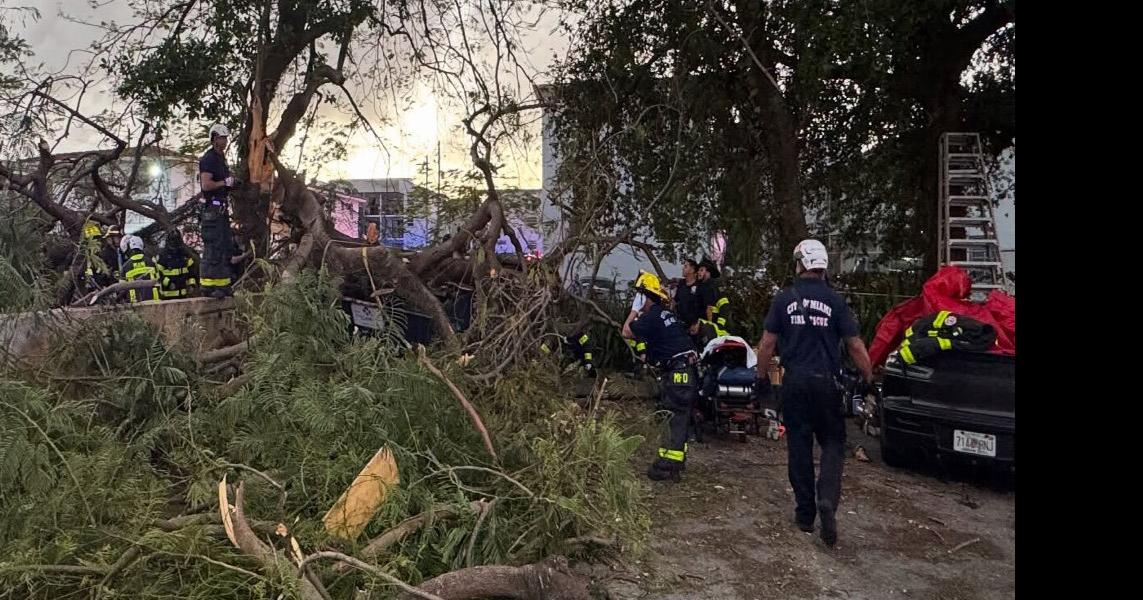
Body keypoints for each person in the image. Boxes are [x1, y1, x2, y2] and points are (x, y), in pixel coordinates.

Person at [754, 239, 872, 547]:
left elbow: (766, 345)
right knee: (833, 443)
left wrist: (761, 379)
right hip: (827, 384)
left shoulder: (784, 299)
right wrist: (868, 377)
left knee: (799, 447)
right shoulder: (835, 301)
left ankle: (805, 514)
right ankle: (827, 499)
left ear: (801, 264)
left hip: (794, 383)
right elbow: (855, 346)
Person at [628, 271, 699, 482]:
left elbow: (626, 331)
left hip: (679, 373)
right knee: (680, 417)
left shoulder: (651, 317)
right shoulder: (667, 315)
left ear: (645, 297)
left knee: (673, 417)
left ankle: (668, 466)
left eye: (639, 295)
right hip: (686, 371)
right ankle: (676, 461)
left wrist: (634, 310)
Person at [199, 123, 237, 298]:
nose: (225, 141)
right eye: (222, 138)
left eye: (226, 138)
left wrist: (232, 184)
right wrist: (224, 183)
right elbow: (206, 185)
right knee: (213, 247)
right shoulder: (209, 159)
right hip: (212, 210)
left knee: (224, 246)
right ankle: (209, 286)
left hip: (221, 208)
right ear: (214, 138)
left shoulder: (221, 158)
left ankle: (222, 285)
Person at [156, 228, 198, 299]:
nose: (175, 243)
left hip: (183, 294)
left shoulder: (184, 255)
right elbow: (158, 274)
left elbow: (192, 272)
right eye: (173, 240)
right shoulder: (163, 255)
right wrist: (168, 283)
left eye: (177, 240)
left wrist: (192, 285)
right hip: (168, 295)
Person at [119, 235, 159, 303]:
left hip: (135, 304)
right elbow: (158, 280)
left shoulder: (125, 267)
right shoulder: (151, 262)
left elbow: (121, 289)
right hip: (154, 301)